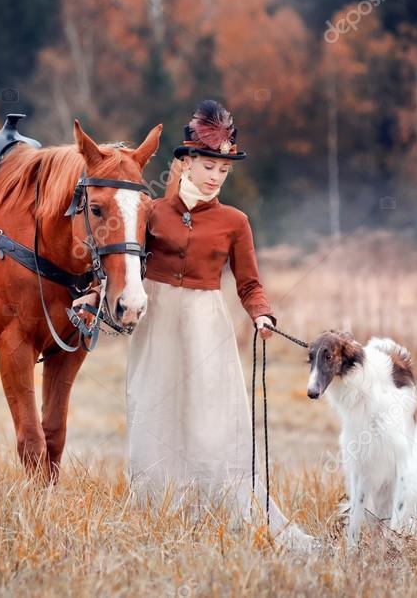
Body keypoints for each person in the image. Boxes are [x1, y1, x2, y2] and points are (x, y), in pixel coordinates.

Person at [74, 100, 314, 550]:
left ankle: (219, 508)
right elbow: (121, 263)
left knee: (210, 418)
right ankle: (158, 512)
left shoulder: (234, 222)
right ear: (183, 162)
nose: (214, 177)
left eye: (223, 171)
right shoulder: (147, 211)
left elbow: (249, 284)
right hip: (158, 322)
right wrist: (93, 292)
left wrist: (262, 314)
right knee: (154, 411)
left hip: (206, 324)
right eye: (208, 166)